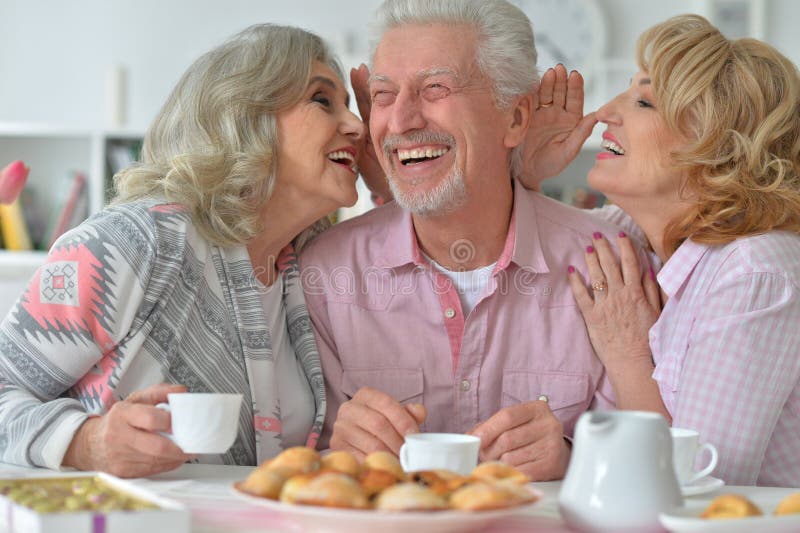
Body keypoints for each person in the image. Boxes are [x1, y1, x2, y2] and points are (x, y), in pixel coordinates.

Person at [0, 24, 364, 478]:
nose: (355, 125)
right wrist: (87, 443)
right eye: (322, 100)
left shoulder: (305, 273)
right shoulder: (139, 240)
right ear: (244, 115)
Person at [299, 0, 639, 481]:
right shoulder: (327, 274)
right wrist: (334, 455)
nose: (400, 122)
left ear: (516, 119)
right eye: (384, 95)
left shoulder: (606, 263)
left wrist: (572, 460)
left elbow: (654, 468)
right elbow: (292, 465)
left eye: (436, 88)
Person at [530, 15, 800, 486]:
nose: (607, 112)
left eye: (643, 101)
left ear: (717, 144)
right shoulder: (642, 236)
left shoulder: (756, 271)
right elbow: (531, 236)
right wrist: (530, 173)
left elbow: (695, 486)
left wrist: (629, 354)